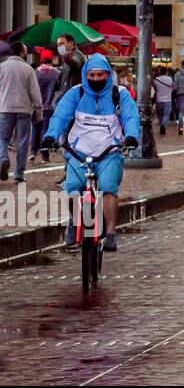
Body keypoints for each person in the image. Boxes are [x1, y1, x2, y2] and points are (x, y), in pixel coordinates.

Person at [43, 53, 142, 253]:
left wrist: (131, 136)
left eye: (100, 75)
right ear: (85, 75)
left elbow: (131, 117)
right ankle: (73, 221)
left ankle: (112, 233)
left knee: (108, 188)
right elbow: (60, 115)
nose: (96, 79)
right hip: (78, 152)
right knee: (71, 187)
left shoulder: (119, 94)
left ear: (108, 74)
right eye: (92, 75)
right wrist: (51, 135)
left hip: (109, 152)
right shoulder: (75, 93)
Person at [0, 42, 45, 183]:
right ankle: (19, 173)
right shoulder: (28, 69)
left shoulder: (1, 67)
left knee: (2, 138)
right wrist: (38, 111)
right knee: (23, 141)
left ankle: (3, 158)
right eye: (25, 51)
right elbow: (35, 93)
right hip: (24, 110)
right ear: (21, 52)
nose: (27, 54)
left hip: (5, 108)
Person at [31, 48, 59, 160]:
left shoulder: (35, 72)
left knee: (35, 128)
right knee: (45, 129)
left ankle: (33, 151)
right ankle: (44, 155)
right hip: (50, 105)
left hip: (36, 105)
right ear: (51, 59)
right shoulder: (56, 73)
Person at [54, 34, 86, 103]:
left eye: (62, 43)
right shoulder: (66, 57)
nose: (59, 46)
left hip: (73, 96)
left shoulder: (77, 54)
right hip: (66, 95)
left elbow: (75, 63)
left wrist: (68, 59)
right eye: (58, 44)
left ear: (71, 43)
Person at [152, 66, 174, 136]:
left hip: (158, 99)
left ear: (160, 71)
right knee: (166, 114)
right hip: (167, 99)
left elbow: (154, 88)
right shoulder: (170, 79)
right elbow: (172, 87)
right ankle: (163, 125)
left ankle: (161, 123)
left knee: (160, 114)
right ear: (166, 72)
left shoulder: (156, 80)